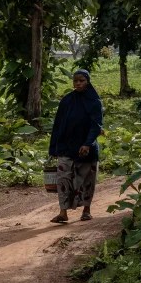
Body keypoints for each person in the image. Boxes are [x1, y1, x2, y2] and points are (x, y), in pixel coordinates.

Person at [48, 68, 103, 224]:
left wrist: (87, 143)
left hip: (87, 149)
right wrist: (53, 148)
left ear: (88, 81)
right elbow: (58, 125)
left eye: (81, 81)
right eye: (75, 81)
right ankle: (63, 213)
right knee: (63, 179)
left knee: (87, 179)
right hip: (66, 146)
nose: (78, 84)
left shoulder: (94, 102)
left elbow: (96, 125)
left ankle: (86, 210)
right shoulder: (67, 100)